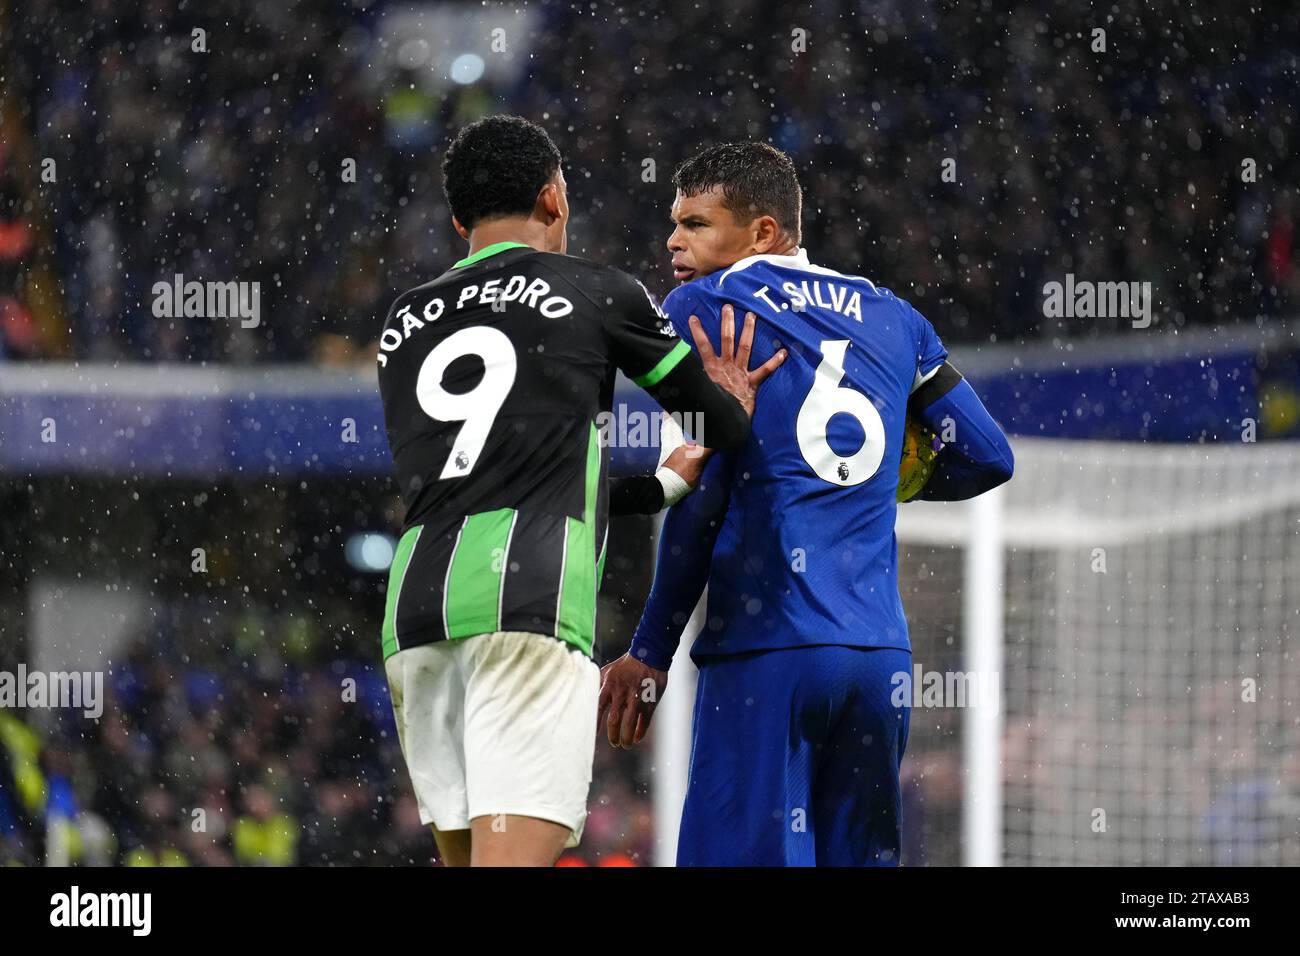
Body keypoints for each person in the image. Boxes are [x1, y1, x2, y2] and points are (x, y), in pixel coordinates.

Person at [376, 117, 785, 867]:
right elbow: (720, 425)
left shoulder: (405, 319)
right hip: (526, 603)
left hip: (416, 617)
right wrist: (727, 398)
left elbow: (491, 474)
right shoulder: (599, 292)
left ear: (461, 221)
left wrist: (657, 488)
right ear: (553, 199)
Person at [598, 142, 1013, 865]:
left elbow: (701, 496)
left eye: (695, 224)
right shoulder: (895, 317)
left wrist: (651, 650)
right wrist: (881, 480)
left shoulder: (705, 307)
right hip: (878, 658)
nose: (672, 241)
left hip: (768, 650)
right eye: (674, 223)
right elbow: (987, 455)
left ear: (762, 232)